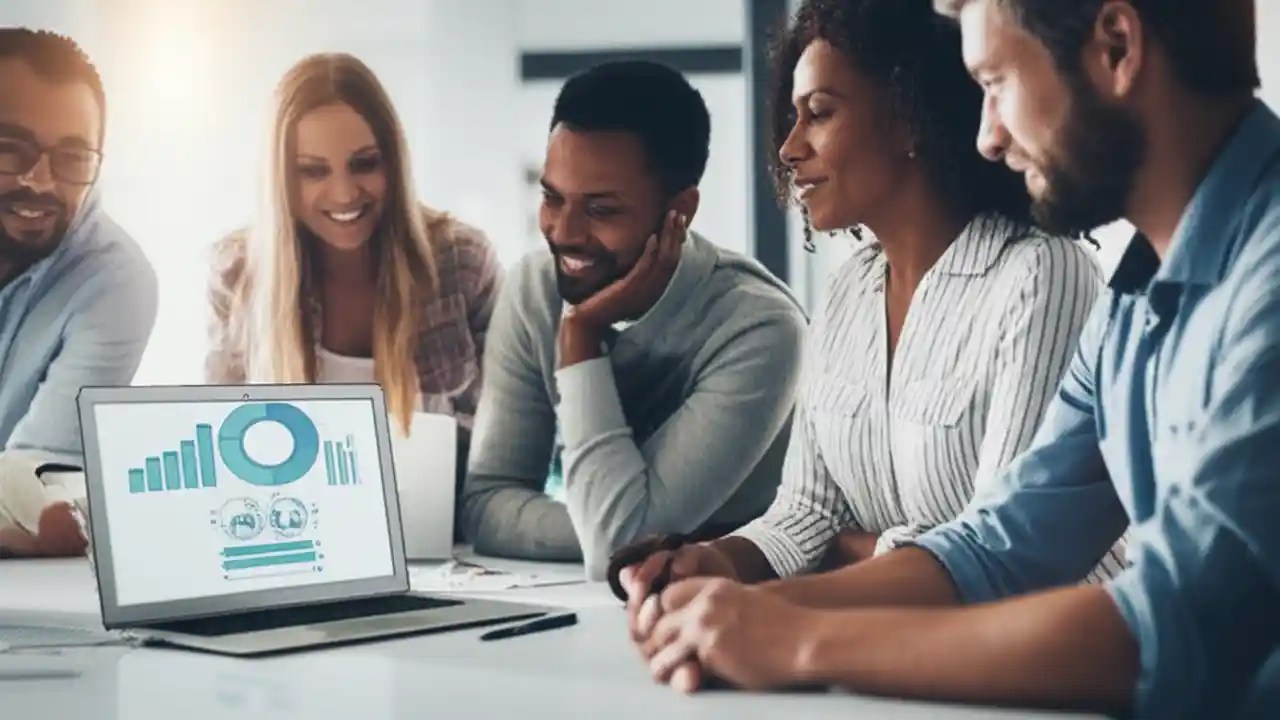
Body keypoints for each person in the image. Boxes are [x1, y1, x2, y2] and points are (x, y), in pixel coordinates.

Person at [629, 0, 1280, 717]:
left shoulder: (1266, 278)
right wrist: (741, 610)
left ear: (1118, 48)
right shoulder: (1136, 297)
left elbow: (1179, 627)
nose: (987, 137)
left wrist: (803, 640)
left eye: (995, 82)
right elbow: (999, 546)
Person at [614, 0, 1122, 596]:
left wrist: (852, 550)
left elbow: (1002, 556)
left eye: (819, 114)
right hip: (903, 644)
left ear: (908, 116)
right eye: (793, 117)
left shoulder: (1041, 275)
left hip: (1052, 665)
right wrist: (716, 562)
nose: (789, 148)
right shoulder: (848, 290)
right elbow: (807, 510)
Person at [460, 61, 807, 579]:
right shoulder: (533, 287)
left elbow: (618, 540)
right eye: (553, 198)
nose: (565, 232)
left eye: (602, 210)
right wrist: (634, 530)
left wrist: (580, 335)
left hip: (730, 611)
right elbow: (487, 503)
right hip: (591, 605)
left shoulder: (760, 328)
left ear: (680, 212)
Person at [206, 53, 501, 503]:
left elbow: (506, 444)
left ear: (394, 163)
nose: (344, 193)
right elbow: (220, 444)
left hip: (446, 534)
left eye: (364, 164)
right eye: (312, 171)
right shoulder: (238, 271)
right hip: (295, 530)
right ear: (280, 178)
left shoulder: (460, 262)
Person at [0, 29, 157, 557]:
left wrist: (31, 514)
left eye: (73, 157)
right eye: (10, 148)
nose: (41, 182)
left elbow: (35, 499)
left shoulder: (116, 280)